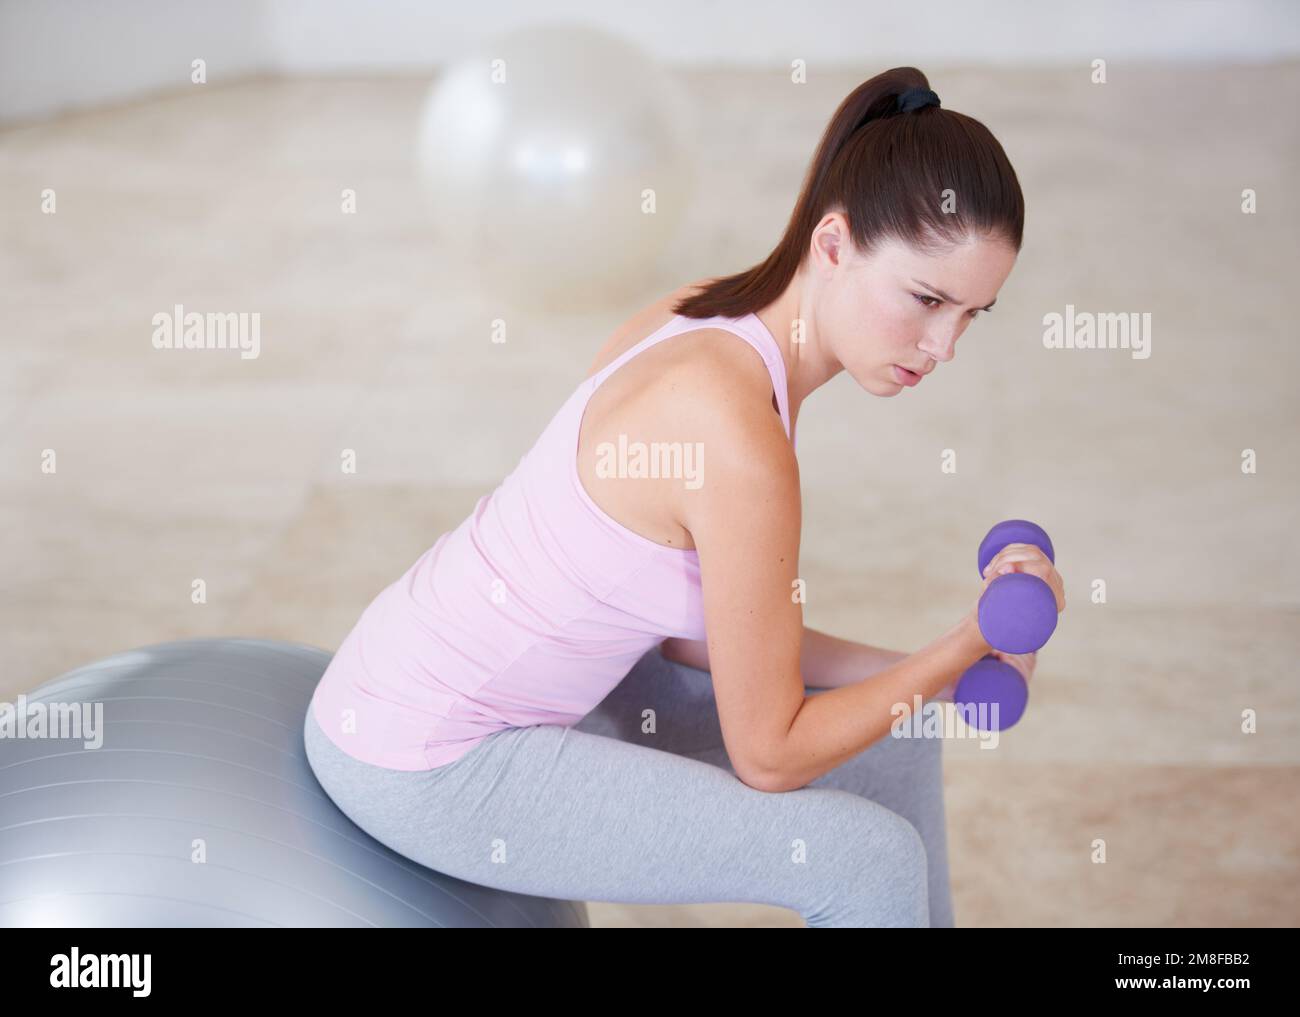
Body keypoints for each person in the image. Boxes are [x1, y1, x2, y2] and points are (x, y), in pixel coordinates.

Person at [305, 66, 1066, 928]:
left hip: (480, 684)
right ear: (832, 244)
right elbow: (770, 755)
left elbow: (693, 631)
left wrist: (940, 668)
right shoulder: (739, 439)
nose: (944, 345)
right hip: (429, 757)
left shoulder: (697, 316)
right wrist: (961, 644)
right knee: (867, 863)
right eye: (927, 298)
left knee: (898, 742)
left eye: (973, 314)